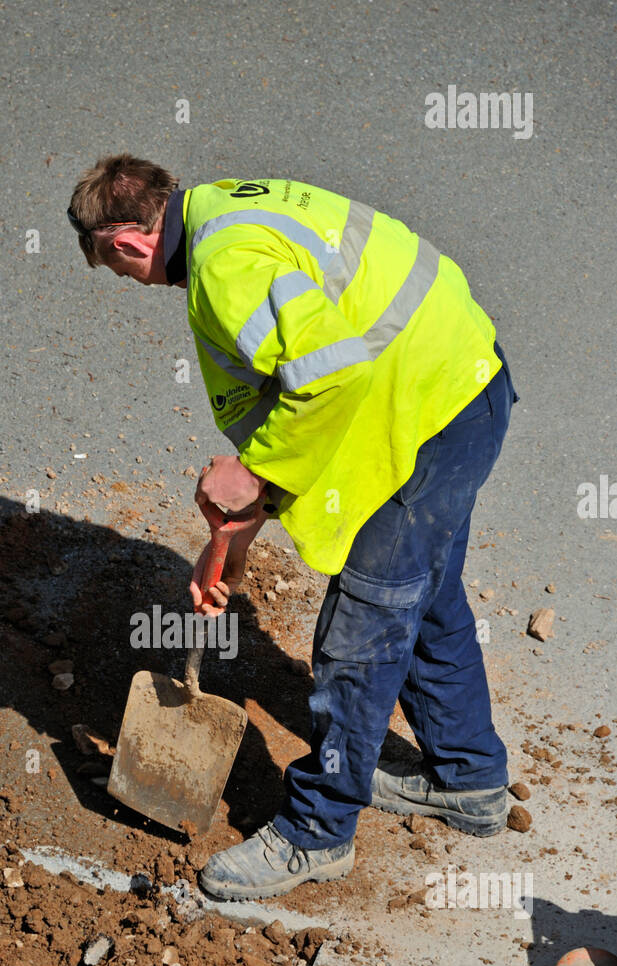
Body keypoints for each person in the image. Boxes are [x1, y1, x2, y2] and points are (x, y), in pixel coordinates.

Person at [68, 154, 519, 902]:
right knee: (427, 594)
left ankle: (316, 834)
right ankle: (466, 780)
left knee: (360, 632)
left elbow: (329, 372)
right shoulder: (220, 208)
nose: (126, 284)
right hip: (458, 384)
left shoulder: (224, 267)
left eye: (115, 271)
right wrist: (239, 526)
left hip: (423, 418)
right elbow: (300, 376)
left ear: (125, 243)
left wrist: (251, 476)